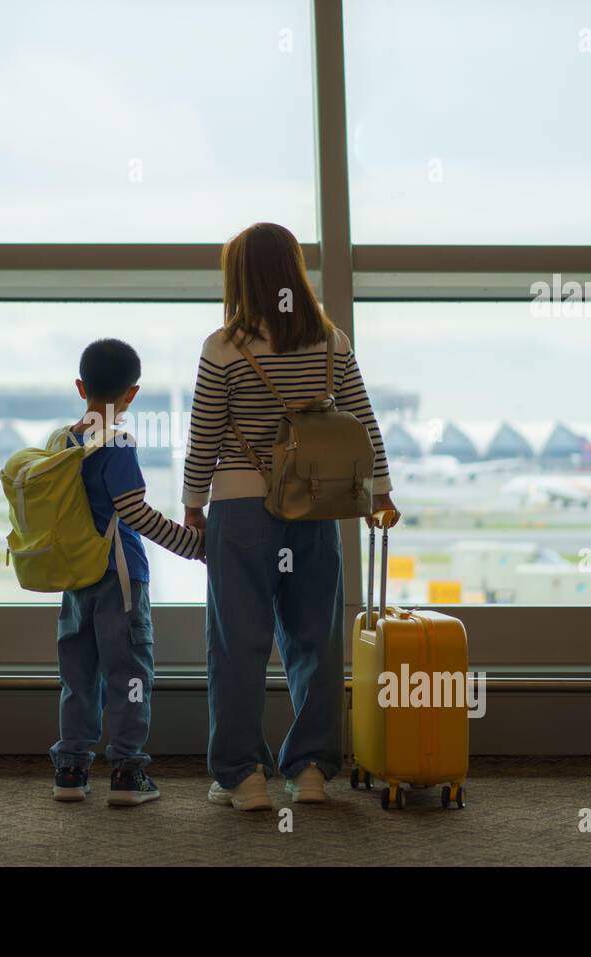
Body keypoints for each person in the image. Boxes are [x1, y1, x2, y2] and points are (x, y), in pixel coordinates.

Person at [182, 223, 398, 811]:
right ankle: (310, 772)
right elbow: (362, 422)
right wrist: (380, 493)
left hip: (241, 507)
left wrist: (192, 503)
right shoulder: (331, 340)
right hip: (315, 503)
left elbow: (204, 434)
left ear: (240, 277)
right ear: (294, 272)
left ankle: (244, 777)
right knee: (315, 639)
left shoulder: (224, 346)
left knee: (237, 645)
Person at [50, 338, 205, 806]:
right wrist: (191, 545)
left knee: (79, 675)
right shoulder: (116, 441)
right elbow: (132, 511)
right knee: (129, 673)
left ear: (80, 387)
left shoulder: (62, 441)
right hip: (121, 579)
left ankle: (72, 771)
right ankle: (126, 773)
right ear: (132, 394)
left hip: (75, 578)